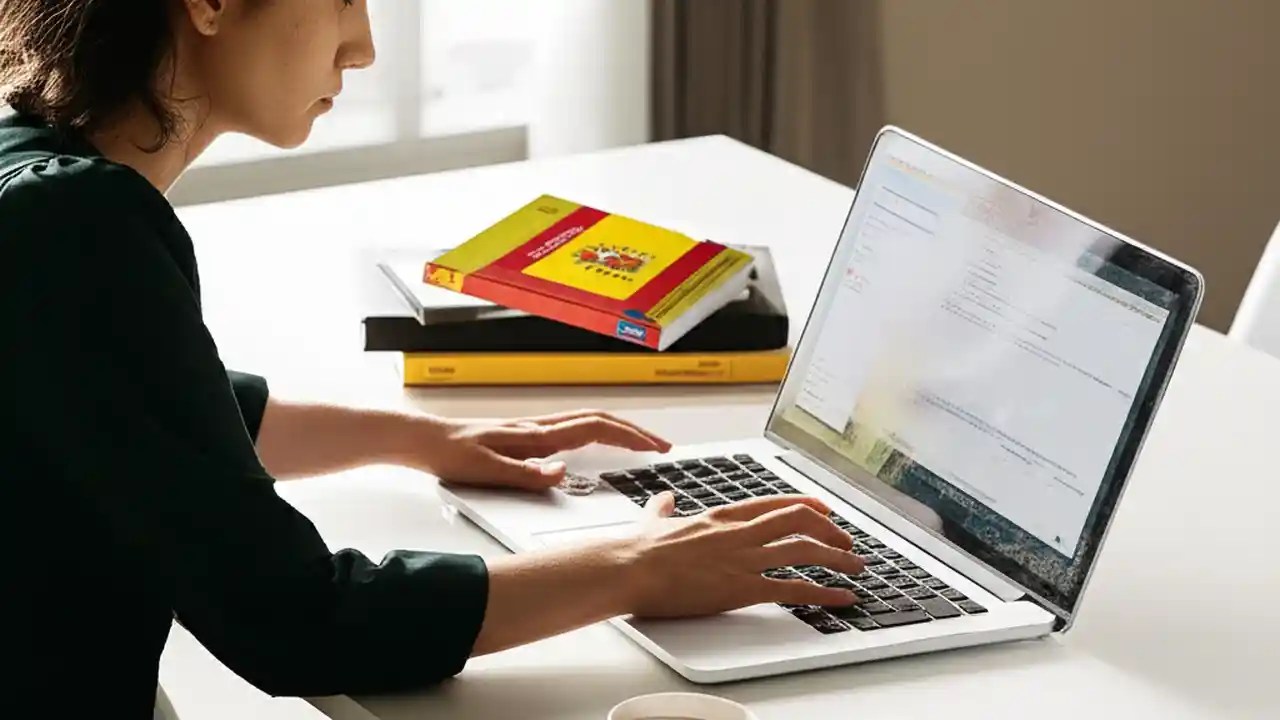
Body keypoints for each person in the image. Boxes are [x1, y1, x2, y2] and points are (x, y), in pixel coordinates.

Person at [0, 2, 863, 717]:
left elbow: (135, 413)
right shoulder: (80, 228)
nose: (365, 46)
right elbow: (298, 622)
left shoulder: (28, 168)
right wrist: (635, 568)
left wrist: (419, 438)